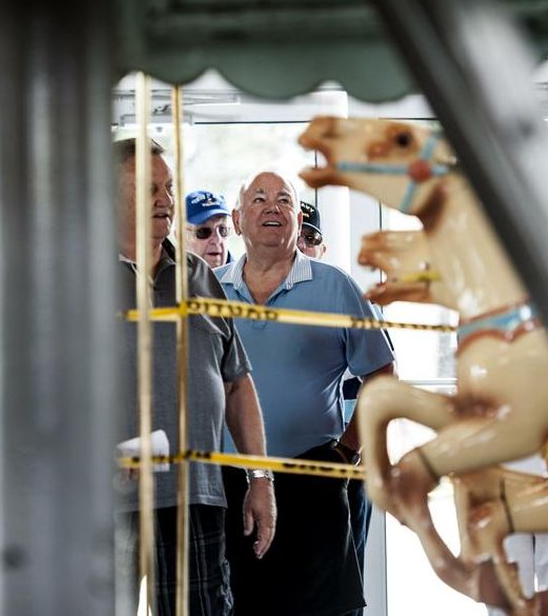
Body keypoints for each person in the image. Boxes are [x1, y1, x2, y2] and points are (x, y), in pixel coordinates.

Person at [215, 171, 395, 616]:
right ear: (238, 220)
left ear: (298, 218)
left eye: (283, 200)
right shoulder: (208, 286)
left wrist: (348, 450)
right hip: (228, 482)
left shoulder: (335, 287)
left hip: (312, 478)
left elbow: (383, 375)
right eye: (258, 199)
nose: (271, 207)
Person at [115, 138, 276, 616]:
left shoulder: (199, 277)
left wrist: (260, 477)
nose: (165, 200)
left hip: (195, 498)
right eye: (149, 189)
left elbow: (236, 382)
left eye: (168, 187)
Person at [296, 202, 372, 610]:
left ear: (322, 249)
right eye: (299, 235)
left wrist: (349, 451)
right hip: (285, 470)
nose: (304, 245)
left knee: (344, 583)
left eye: (313, 238)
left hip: (345, 463)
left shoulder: (342, 293)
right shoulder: (259, 295)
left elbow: (381, 377)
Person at [185, 190, 234, 269]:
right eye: (203, 232)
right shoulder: (166, 278)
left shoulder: (245, 278)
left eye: (223, 230)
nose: (217, 240)